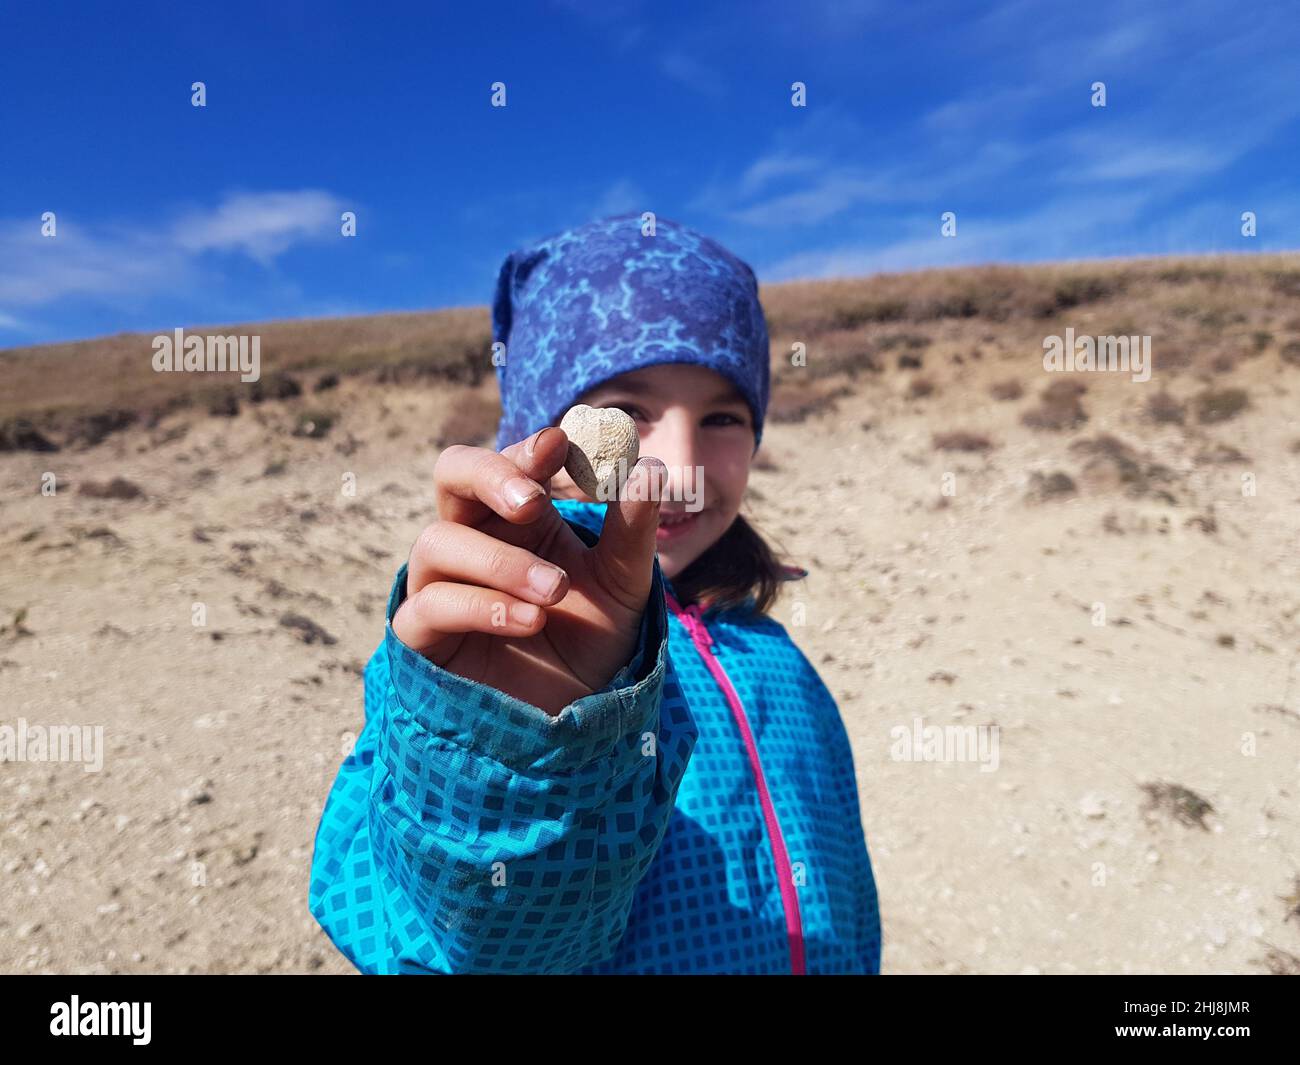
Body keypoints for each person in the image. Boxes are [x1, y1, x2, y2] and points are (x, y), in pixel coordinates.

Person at [308, 212, 883, 974]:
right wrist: (513, 746)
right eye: (627, 411)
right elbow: (434, 939)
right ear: (543, 430)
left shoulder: (778, 656)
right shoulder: (456, 672)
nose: (676, 463)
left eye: (722, 416)